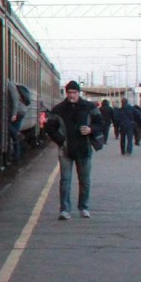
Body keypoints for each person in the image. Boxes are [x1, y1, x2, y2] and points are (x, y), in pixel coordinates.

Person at [46, 81, 103, 220]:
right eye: (69, 93)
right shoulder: (58, 109)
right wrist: (61, 141)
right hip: (66, 150)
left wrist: (91, 129)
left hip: (84, 148)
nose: (72, 95)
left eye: (74, 93)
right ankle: (65, 209)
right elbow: (50, 128)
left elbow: (100, 123)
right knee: (65, 180)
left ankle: (84, 207)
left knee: (85, 180)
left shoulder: (89, 107)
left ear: (79, 93)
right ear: (66, 93)